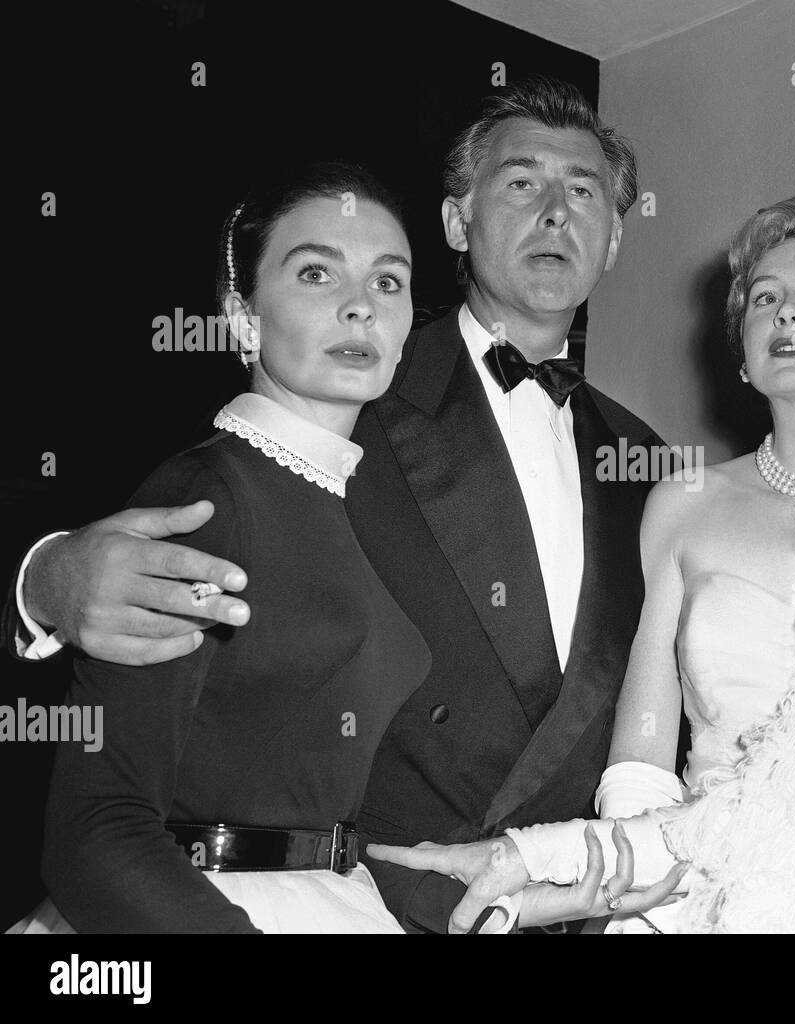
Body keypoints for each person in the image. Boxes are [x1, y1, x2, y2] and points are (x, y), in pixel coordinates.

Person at [6, 78, 661, 933]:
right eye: (521, 181)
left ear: (614, 237)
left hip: (516, 905)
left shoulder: (645, 459)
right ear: (457, 223)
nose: (554, 212)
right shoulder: (345, 391)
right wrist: (45, 576)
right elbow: (113, 801)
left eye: (584, 192)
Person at [369, 195, 795, 933]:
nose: (790, 315)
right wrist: (632, 899)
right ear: (741, 350)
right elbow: (642, 751)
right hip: (694, 890)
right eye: (766, 299)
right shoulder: (681, 502)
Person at [13, 162, 430, 932]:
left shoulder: (356, 504)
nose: (360, 309)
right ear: (243, 319)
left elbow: (316, 817)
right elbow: (95, 831)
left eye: (388, 283)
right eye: (316, 273)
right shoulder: (208, 497)